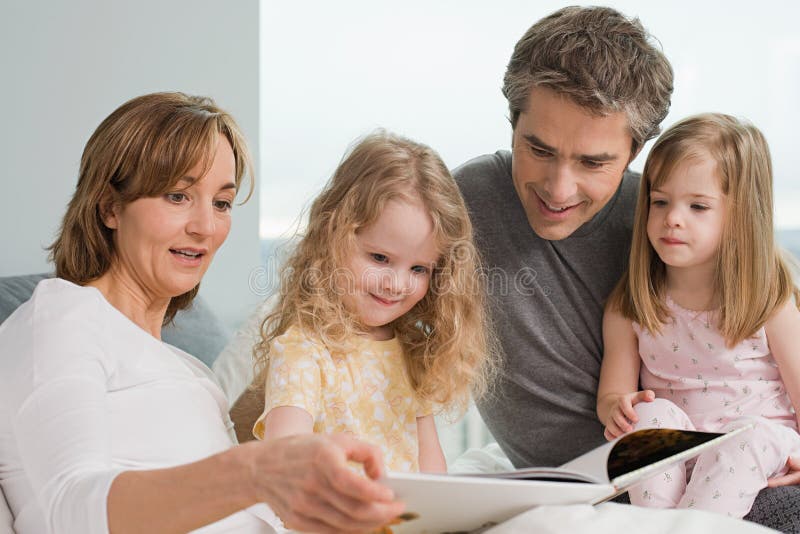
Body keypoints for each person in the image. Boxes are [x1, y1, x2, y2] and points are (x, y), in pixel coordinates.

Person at [449, 4, 800, 528]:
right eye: (538, 148)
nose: (558, 189)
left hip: (735, 466)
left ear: (637, 150)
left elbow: (768, 298)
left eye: (593, 162)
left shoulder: (666, 219)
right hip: (598, 482)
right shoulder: (467, 202)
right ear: (513, 123)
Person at [0, 92, 404, 534]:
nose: (206, 227)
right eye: (177, 196)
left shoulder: (193, 374)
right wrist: (255, 470)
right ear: (110, 206)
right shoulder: (62, 319)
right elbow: (73, 511)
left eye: (222, 203)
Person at [251, 131, 496, 473]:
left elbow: (431, 467)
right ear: (332, 238)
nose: (396, 284)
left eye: (418, 269)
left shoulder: (412, 351)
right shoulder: (303, 351)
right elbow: (284, 463)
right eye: (380, 257)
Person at [596, 113, 800, 517]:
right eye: (660, 201)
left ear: (740, 217)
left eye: (698, 206)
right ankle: (659, 525)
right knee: (649, 414)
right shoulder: (630, 304)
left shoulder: (769, 299)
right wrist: (619, 408)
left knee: (749, 437)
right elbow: (611, 395)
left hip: (753, 446)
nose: (673, 217)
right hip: (679, 449)